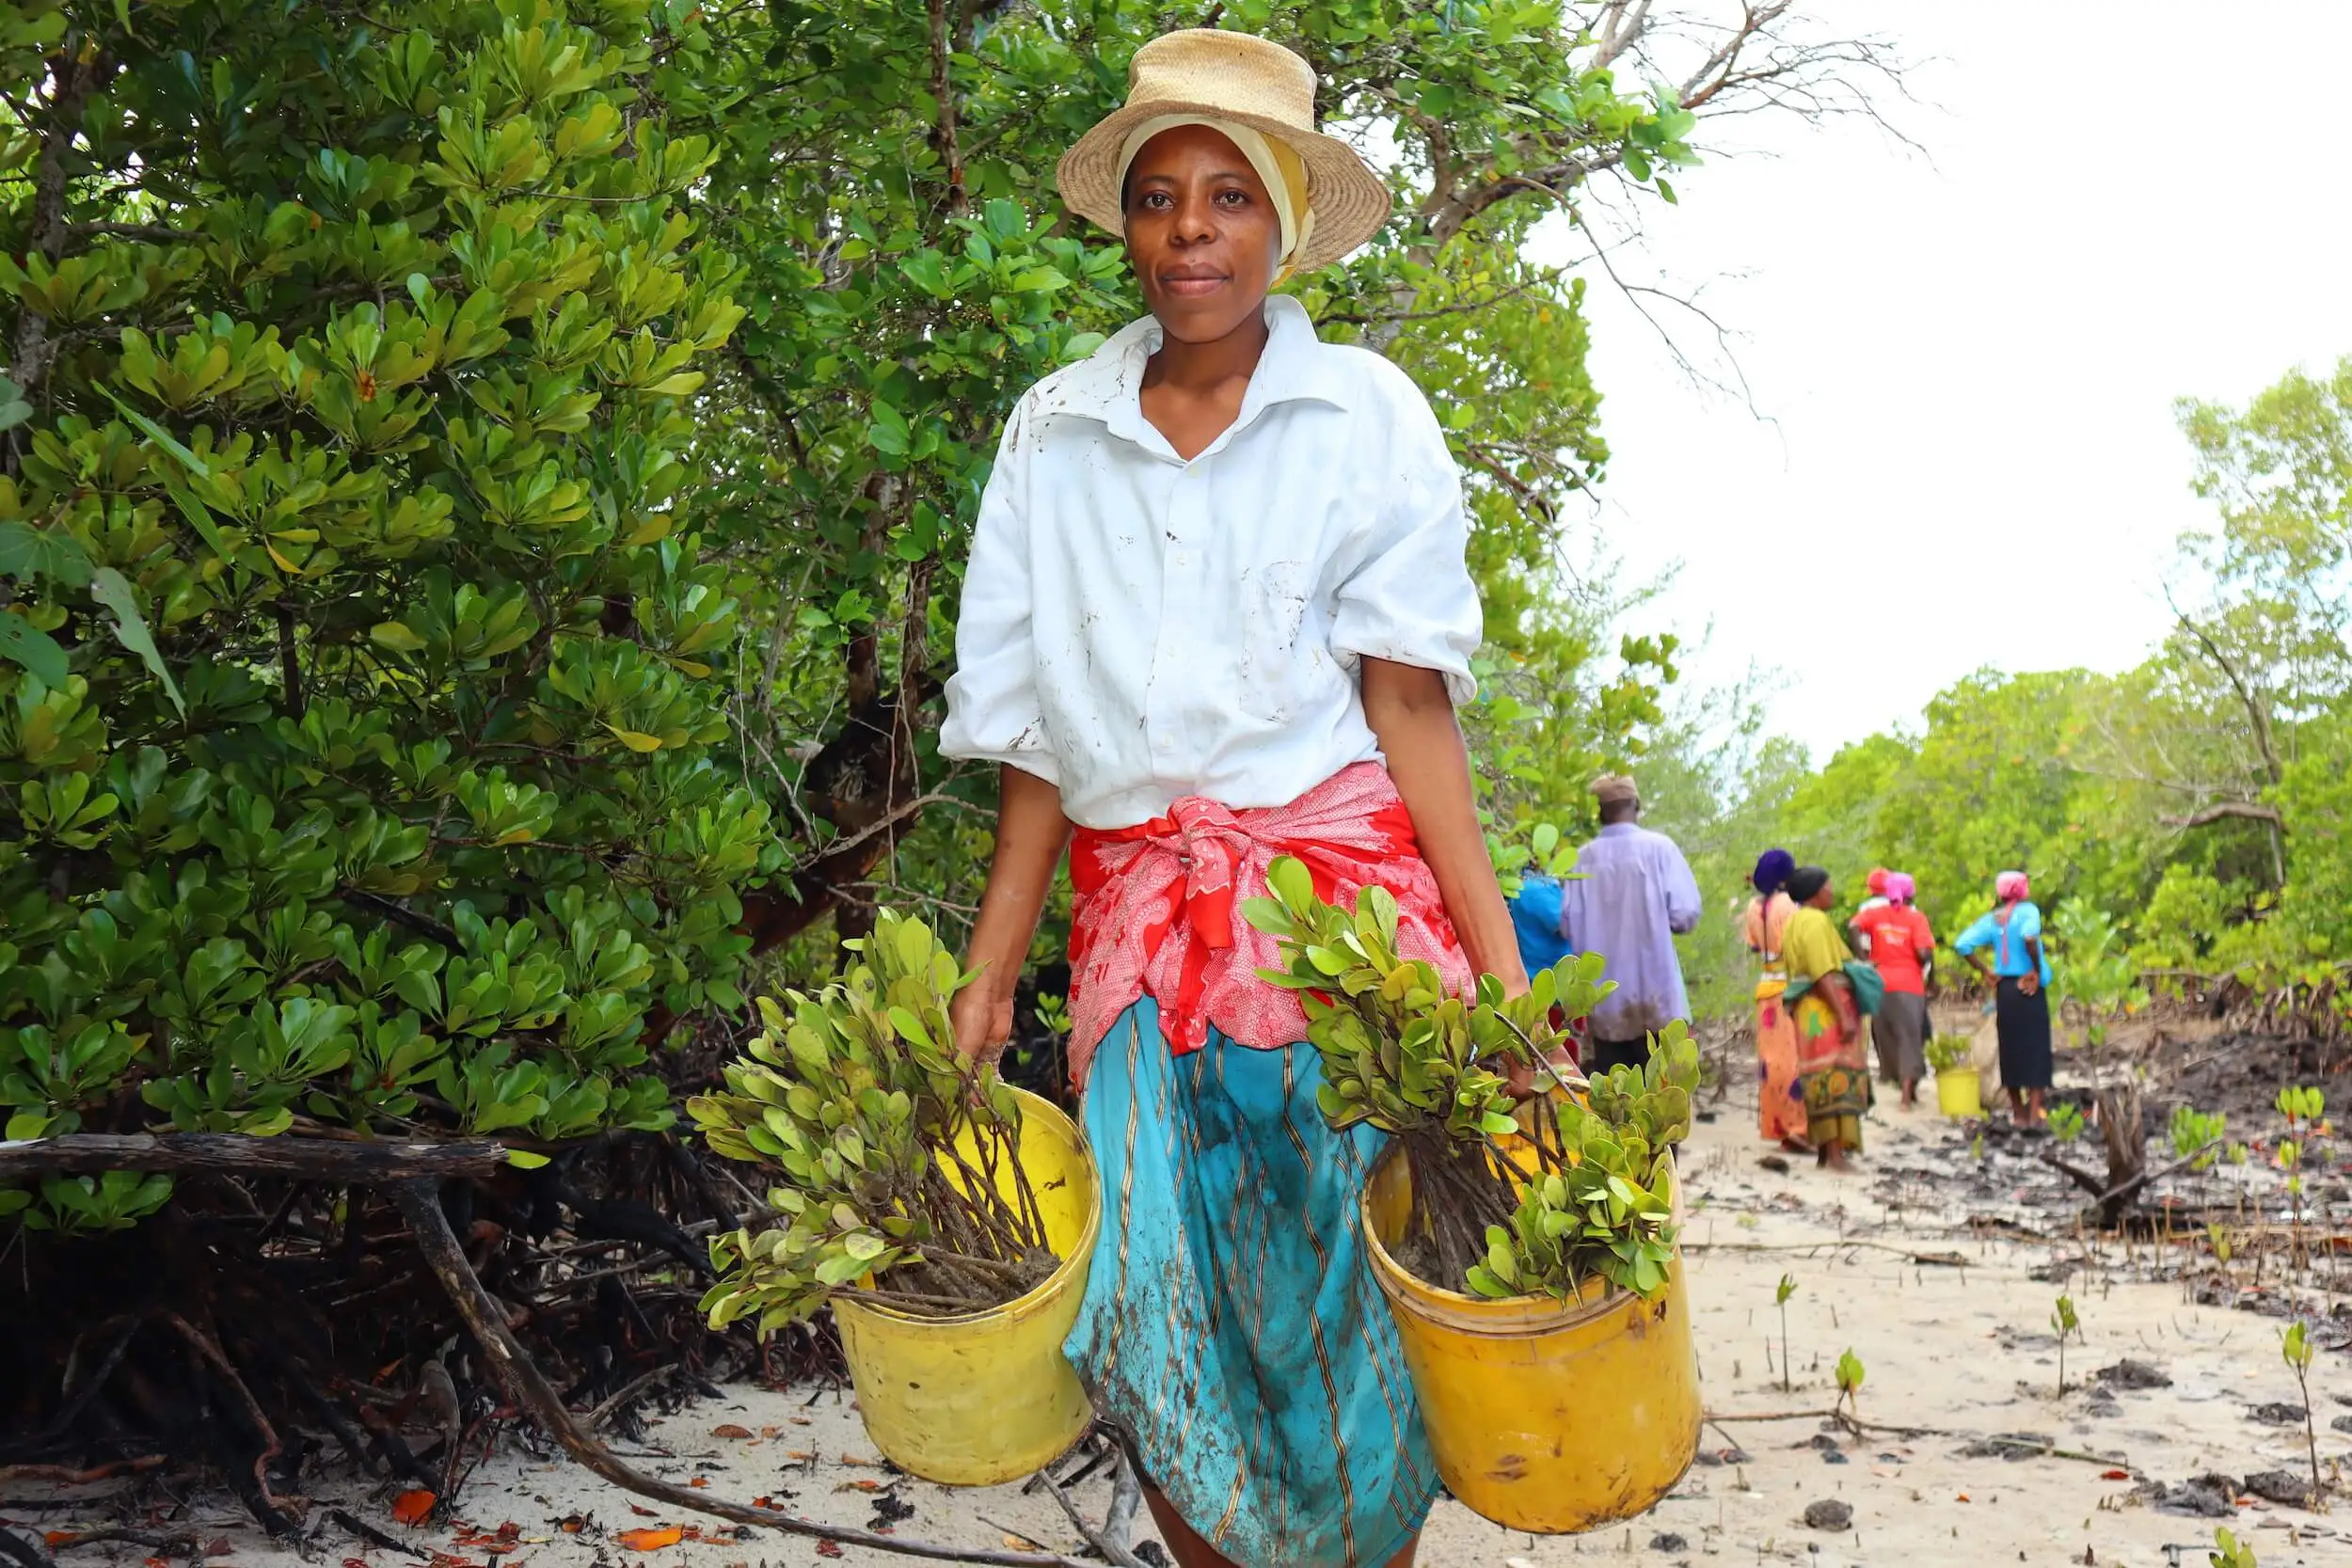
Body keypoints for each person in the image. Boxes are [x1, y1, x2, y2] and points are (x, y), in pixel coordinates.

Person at [936, 30, 1562, 1568]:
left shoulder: (1364, 415)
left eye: (1229, 197)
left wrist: (1501, 977)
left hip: (1340, 938)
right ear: (1127, 223)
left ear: (1282, 220)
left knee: (1362, 1315)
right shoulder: (1051, 431)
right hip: (1141, 941)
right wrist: (987, 974)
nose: (1190, 231)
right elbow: (1034, 740)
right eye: (1159, 197)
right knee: (1164, 1318)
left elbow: (1408, 708)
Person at [1557, 775, 1703, 1075]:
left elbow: (1567, 926)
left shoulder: (1581, 860)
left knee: (1617, 1096)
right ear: (1636, 805)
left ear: (1600, 813)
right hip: (1659, 1003)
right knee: (1666, 1093)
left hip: (1605, 1008)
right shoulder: (1660, 849)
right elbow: (1685, 915)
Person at [1780, 866, 1870, 1170]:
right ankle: (1834, 1155)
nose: (1832, 891)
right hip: (1825, 1011)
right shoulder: (1816, 921)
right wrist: (1843, 1016)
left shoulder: (1795, 922)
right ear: (1815, 891)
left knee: (1818, 1076)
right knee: (1834, 1074)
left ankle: (1825, 1151)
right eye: (1828, 886)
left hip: (1809, 1011)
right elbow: (1822, 973)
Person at [1954, 870, 2052, 1127]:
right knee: (2036, 1050)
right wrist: (2036, 971)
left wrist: (1985, 971)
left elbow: (1962, 944)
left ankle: (2018, 1114)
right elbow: (2030, 937)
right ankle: (2034, 1115)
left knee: (2010, 1050)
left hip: (2006, 990)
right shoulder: (2029, 911)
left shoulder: (1994, 918)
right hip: (2029, 987)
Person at [1740, 848, 1809, 1151]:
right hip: (1789, 989)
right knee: (1793, 1060)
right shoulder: (1791, 905)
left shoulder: (1753, 907)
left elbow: (1755, 946)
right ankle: (1799, 1128)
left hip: (1765, 989)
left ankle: (1777, 1127)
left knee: (1770, 1062)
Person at [1852, 870, 1934, 1110]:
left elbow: (1853, 926)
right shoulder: (1916, 918)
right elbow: (1923, 952)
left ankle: (1901, 1085)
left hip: (1880, 984)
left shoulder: (1875, 913)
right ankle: (1906, 1097)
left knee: (1887, 1037)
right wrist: (1927, 962)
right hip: (1909, 985)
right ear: (1910, 893)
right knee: (1910, 1037)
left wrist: (1864, 959)